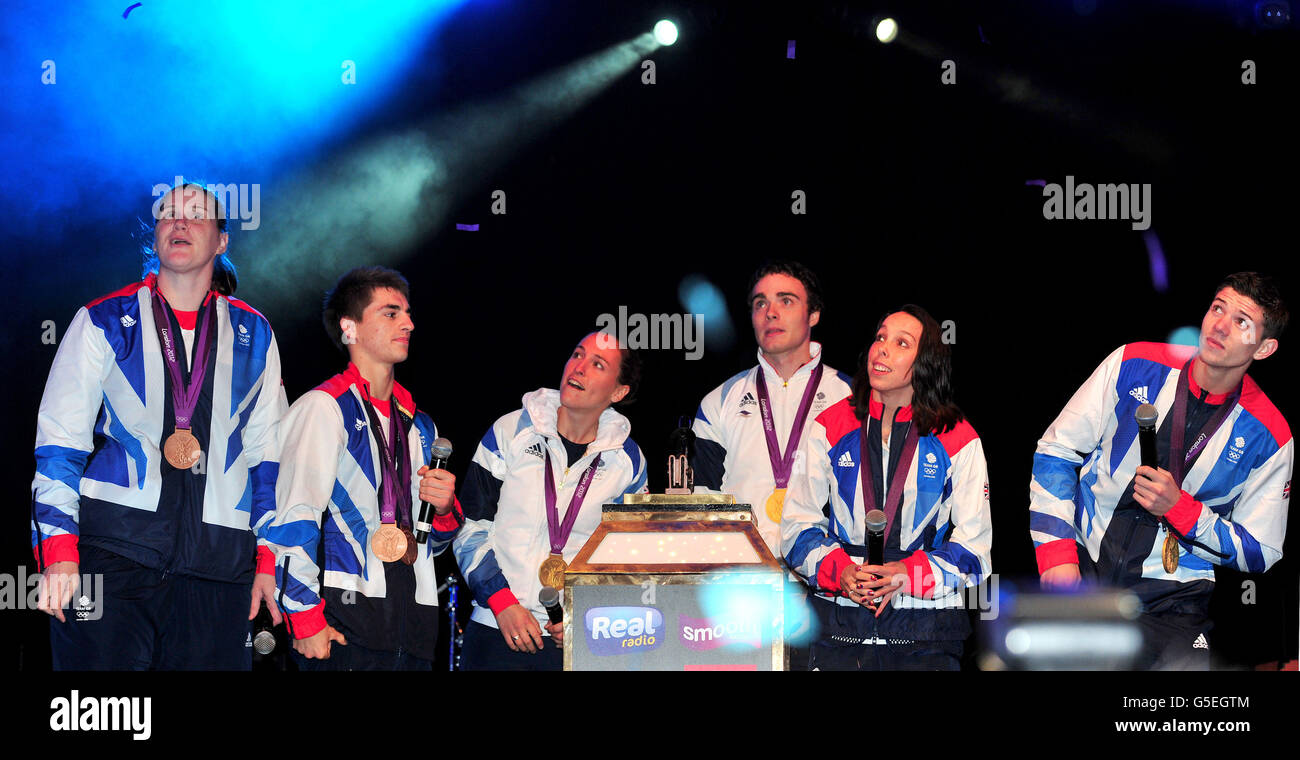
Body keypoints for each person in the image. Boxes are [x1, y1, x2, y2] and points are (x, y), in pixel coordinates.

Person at [31, 181, 287, 669]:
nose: (180, 221)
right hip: (110, 558)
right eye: (168, 213)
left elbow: (268, 459)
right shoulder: (102, 320)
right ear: (155, 236)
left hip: (220, 569)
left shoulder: (255, 334)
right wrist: (59, 548)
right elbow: (60, 445)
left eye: (196, 214)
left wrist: (268, 560)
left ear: (222, 240)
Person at [1030, 272, 1290, 669]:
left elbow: (1261, 552)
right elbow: (1056, 451)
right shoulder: (1134, 362)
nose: (1219, 324)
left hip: (1174, 607)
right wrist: (1057, 556)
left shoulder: (1271, 435)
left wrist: (1182, 510)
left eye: (1242, 321)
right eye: (1217, 307)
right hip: (1082, 573)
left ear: (1265, 347)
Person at [265, 266, 460, 670]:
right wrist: (304, 618)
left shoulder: (421, 425)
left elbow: (429, 548)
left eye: (407, 313)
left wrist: (442, 513)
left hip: (416, 635)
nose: (408, 323)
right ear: (349, 329)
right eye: (390, 313)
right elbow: (292, 517)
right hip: (343, 627)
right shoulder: (325, 407)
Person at [782, 304, 991, 670]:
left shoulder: (958, 437)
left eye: (901, 343)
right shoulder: (830, 425)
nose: (882, 348)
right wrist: (841, 572)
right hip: (837, 632)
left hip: (925, 637)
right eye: (880, 337)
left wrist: (905, 575)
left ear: (925, 362)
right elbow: (796, 527)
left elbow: (976, 552)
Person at [454, 331, 649, 670]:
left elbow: (628, 562)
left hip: (574, 644)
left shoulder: (629, 462)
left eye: (597, 364)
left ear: (619, 391)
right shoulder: (511, 430)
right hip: (495, 629)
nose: (579, 367)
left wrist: (585, 616)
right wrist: (501, 603)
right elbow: (470, 527)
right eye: (577, 355)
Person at [690, 261, 853, 555]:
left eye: (786, 300)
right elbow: (703, 504)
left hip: (828, 585)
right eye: (760, 303)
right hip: (744, 582)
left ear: (813, 314)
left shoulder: (853, 398)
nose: (770, 312)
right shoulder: (718, 401)